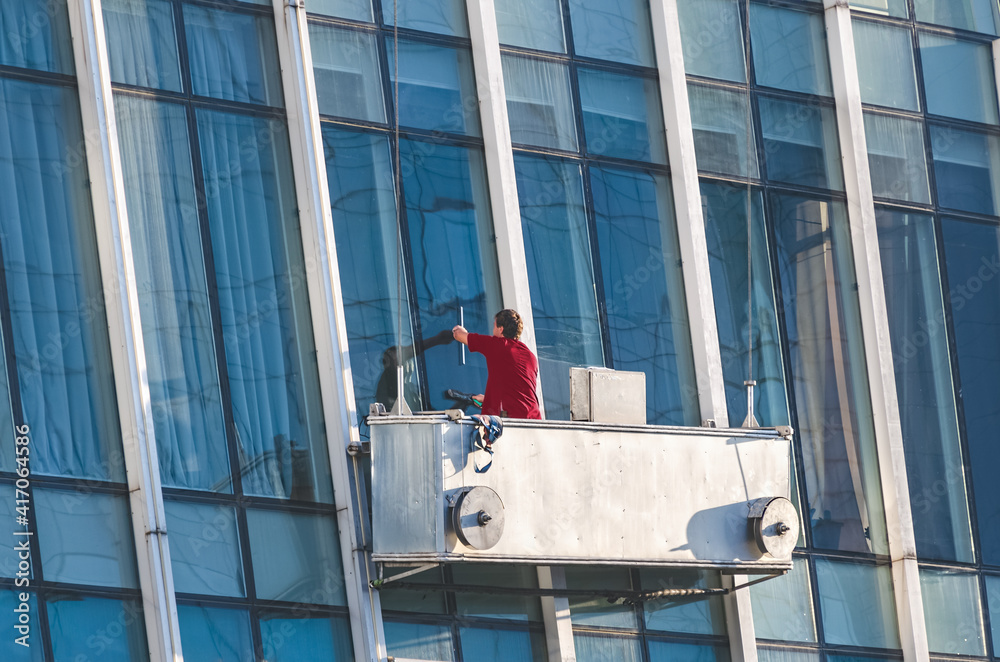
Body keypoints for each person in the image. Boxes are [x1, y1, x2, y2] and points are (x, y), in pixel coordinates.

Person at [453, 309, 542, 419]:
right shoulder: (530, 356)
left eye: (494, 326)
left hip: (511, 423)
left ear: (501, 329)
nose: (492, 330)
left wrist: (458, 328)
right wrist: (488, 400)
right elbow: (518, 391)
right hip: (534, 422)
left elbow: (458, 335)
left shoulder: (497, 345)